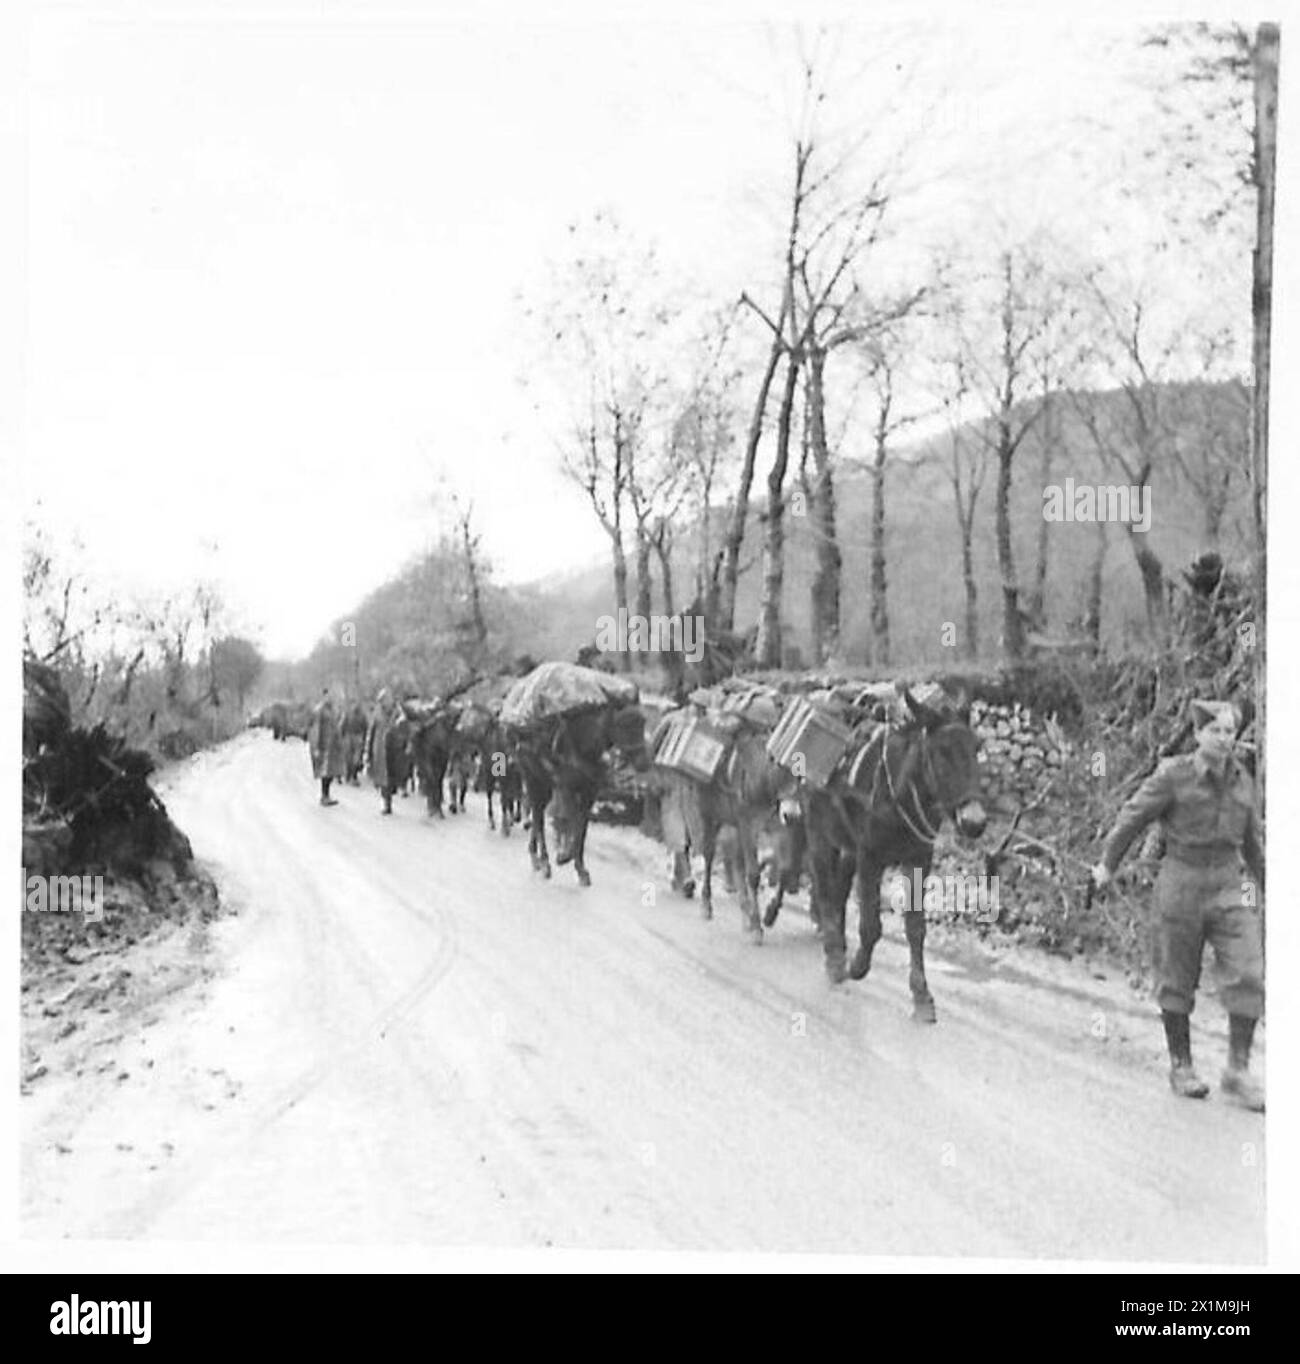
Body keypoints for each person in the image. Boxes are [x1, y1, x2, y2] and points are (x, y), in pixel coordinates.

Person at [1092, 699, 1264, 1110]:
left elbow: (1252, 843)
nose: (1225, 739)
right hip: (1181, 883)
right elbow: (1132, 818)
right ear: (1199, 734)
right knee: (1176, 975)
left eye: (1230, 731)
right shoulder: (1173, 776)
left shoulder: (1243, 780)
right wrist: (1106, 866)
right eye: (1216, 731)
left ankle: (1237, 1071)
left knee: (1249, 971)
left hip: (1227, 883)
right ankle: (1181, 1065)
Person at [365, 688, 402, 815]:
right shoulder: (376, 714)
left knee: (393, 776)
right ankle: (386, 803)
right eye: (385, 699)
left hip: (394, 747)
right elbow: (371, 733)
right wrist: (368, 752)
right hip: (380, 748)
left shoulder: (397, 712)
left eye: (389, 698)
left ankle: (390, 798)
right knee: (383, 778)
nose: (388, 701)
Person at [307, 687, 346, 807]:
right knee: (324, 772)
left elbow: (336, 727)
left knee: (331, 772)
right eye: (328, 696)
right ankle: (324, 796)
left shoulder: (332, 710)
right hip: (323, 745)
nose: (330, 698)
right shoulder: (320, 710)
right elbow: (315, 729)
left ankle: (327, 795)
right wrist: (316, 747)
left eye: (331, 696)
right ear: (324, 696)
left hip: (332, 746)